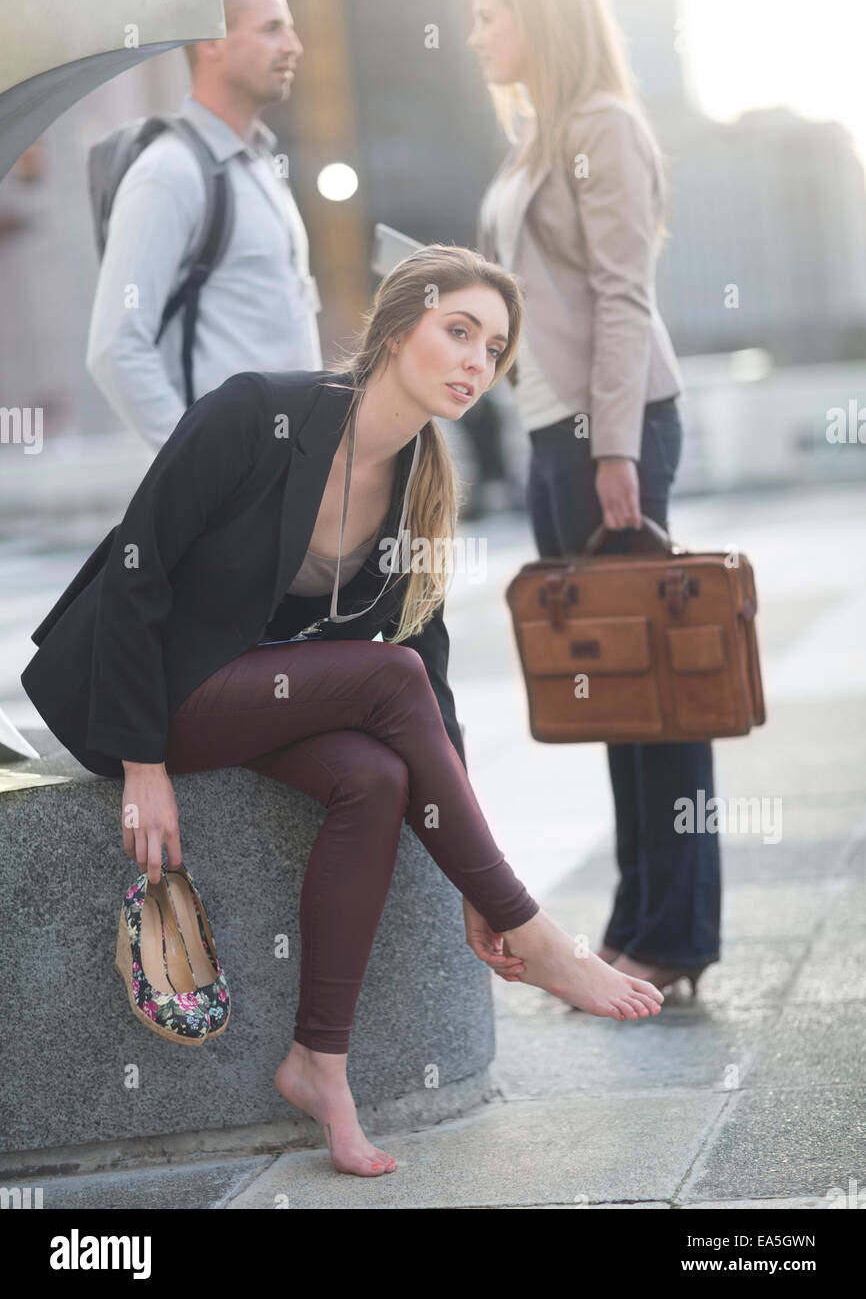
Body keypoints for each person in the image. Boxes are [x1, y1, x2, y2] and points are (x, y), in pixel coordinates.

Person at [21, 245, 664, 1180]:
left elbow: (431, 674)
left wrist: (458, 840)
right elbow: (135, 576)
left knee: (379, 775)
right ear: (400, 328)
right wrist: (143, 765)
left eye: (494, 349)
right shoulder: (256, 413)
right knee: (388, 677)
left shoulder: (422, 484)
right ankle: (534, 933)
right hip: (138, 697)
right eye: (459, 332)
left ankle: (318, 1064)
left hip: (246, 693)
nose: (476, 363)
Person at [469, 0, 719, 995]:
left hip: (600, 432)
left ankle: (674, 931)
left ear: (539, 19)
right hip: (549, 429)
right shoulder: (535, 138)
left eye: (489, 15)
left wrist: (613, 448)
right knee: (613, 692)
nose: (476, 34)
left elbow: (623, 294)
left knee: (654, 688)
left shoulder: (601, 128)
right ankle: (637, 917)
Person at [86, 0, 322, 450]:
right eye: (272, 28)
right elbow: (114, 348)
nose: (294, 46)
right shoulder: (169, 172)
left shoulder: (258, 164)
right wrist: (197, 467)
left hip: (287, 474)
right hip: (233, 491)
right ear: (211, 41)